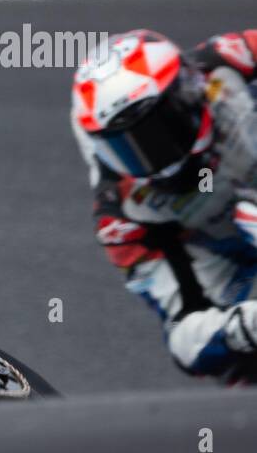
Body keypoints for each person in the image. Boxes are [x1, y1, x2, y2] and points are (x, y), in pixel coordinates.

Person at [71, 28, 257, 379]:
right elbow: (184, 340)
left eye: (160, 128)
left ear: (186, 91)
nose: (154, 152)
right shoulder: (122, 217)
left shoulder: (230, 60)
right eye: (128, 146)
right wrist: (244, 326)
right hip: (236, 276)